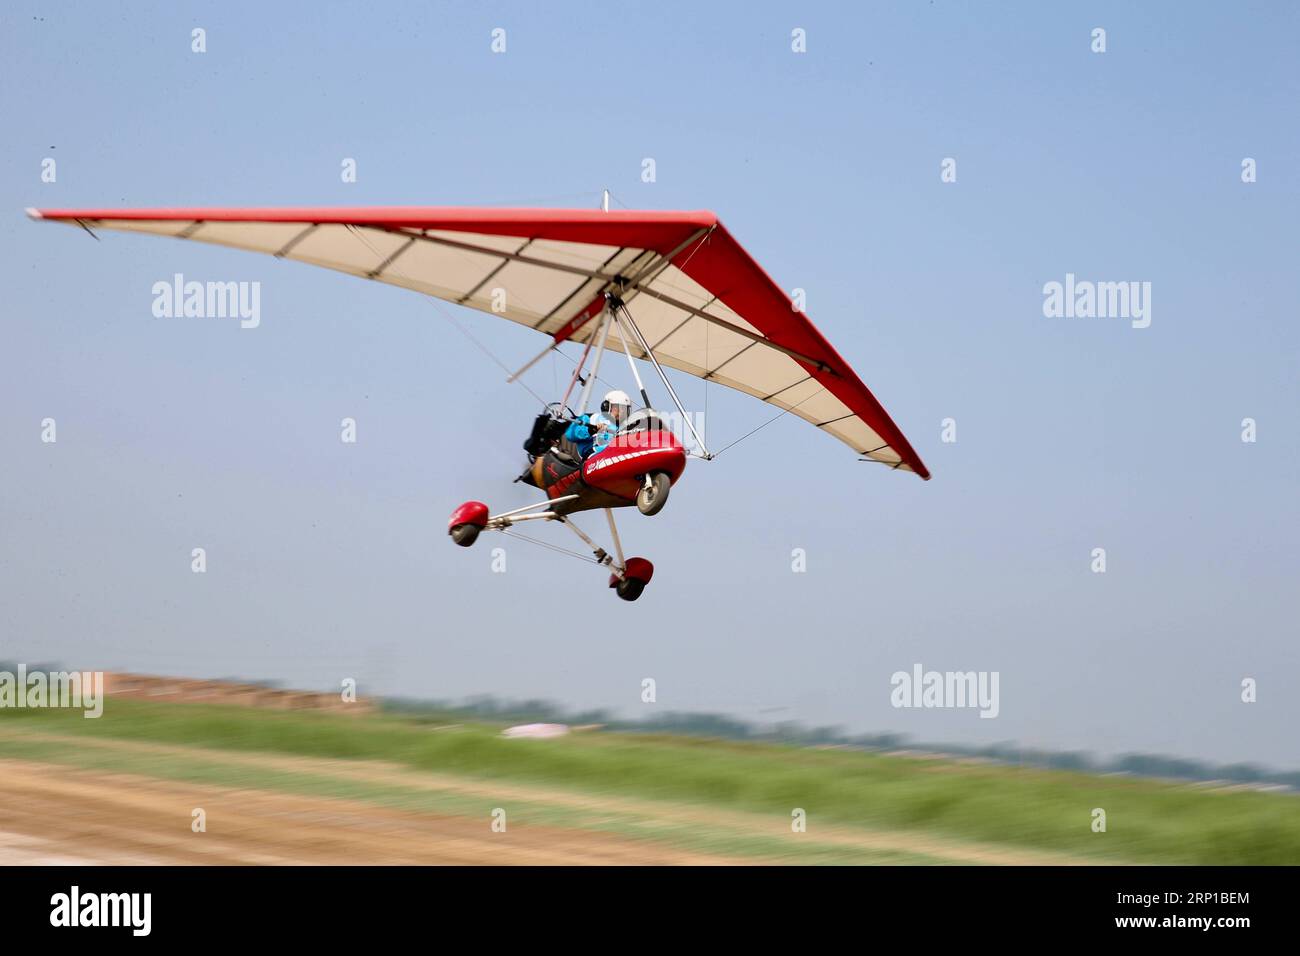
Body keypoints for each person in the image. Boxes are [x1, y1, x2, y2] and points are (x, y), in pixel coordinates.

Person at [564, 389, 632, 459]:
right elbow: (569, 434)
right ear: (607, 407)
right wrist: (590, 430)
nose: (622, 412)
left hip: (616, 456)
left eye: (625, 409)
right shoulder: (592, 418)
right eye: (619, 408)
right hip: (593, 456)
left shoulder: (627, 426)